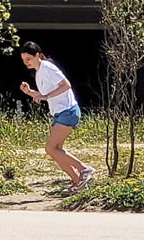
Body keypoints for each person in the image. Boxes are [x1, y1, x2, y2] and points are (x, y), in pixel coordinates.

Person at [19, 40, 94, 191]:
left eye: (29, 59)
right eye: (24, 60)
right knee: (56, 152)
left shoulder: (47, 67)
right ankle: (78, 182)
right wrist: (29, 92)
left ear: (37, 55)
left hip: (68, 111)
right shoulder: (39, 72)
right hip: (59, 113)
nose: (26, 62)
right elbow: (45, 94)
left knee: (51, 148)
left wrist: (46, 97)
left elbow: (66, 85)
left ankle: (84, 169)